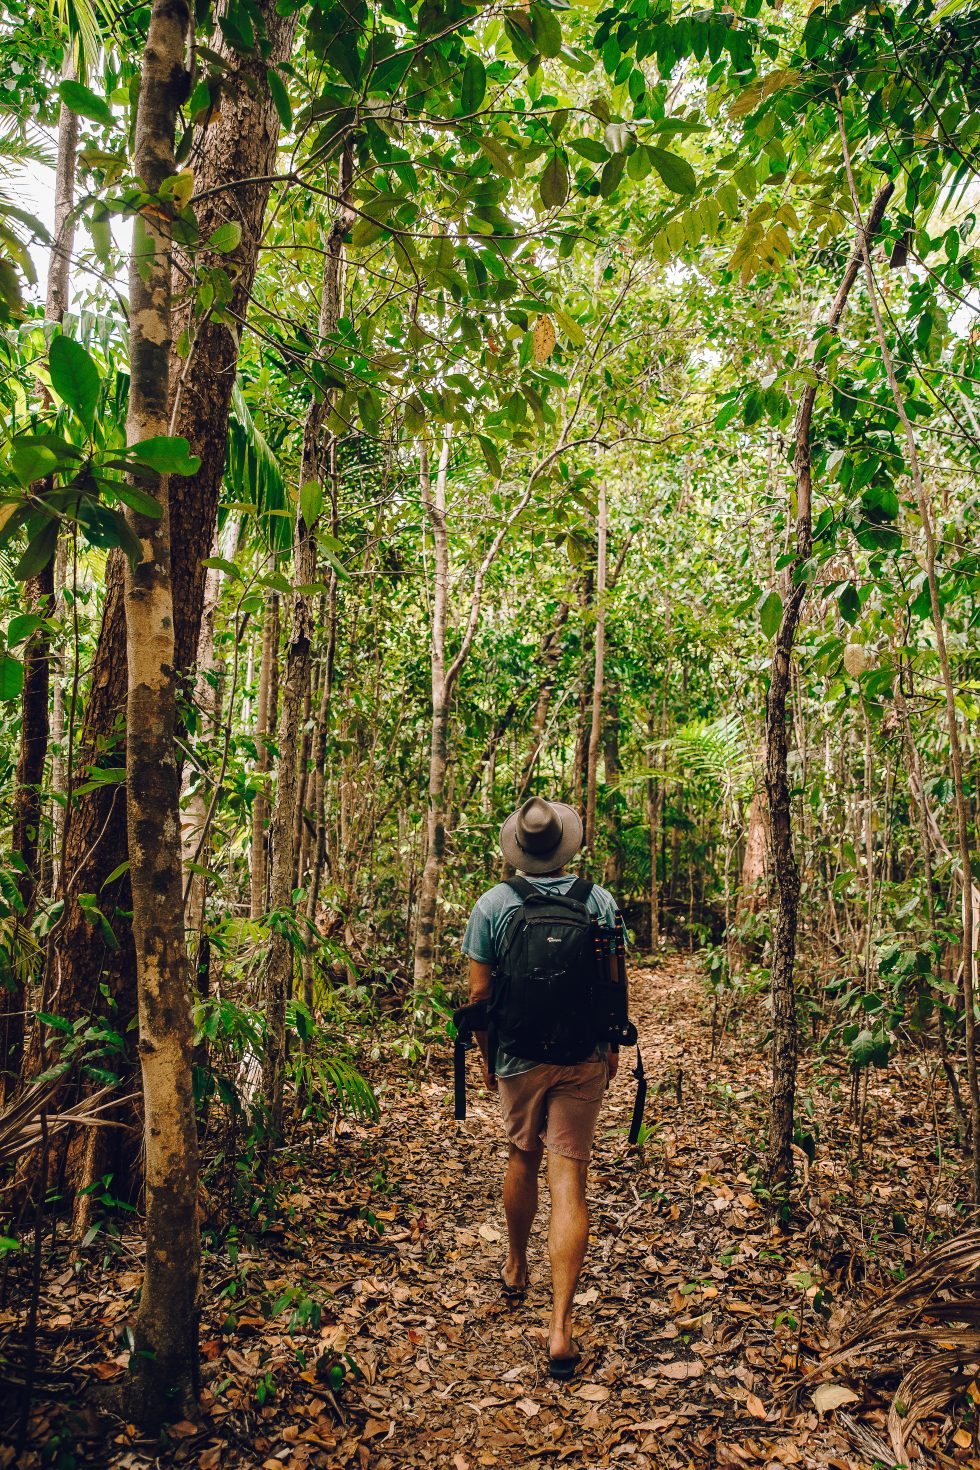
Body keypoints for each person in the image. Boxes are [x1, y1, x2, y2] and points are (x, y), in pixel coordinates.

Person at [461, 795, 622, 1381]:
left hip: (518, 1055)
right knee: (569, 1179)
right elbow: (614, 986)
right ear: (564, 846)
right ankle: (560, 1328)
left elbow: (479, 997)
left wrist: (489, 1060)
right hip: (582, 1056)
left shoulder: (493, 904)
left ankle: (515, 1264)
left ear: (520, 849)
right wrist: (608, 1049)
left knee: (521, 1157)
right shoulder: (599, 902)